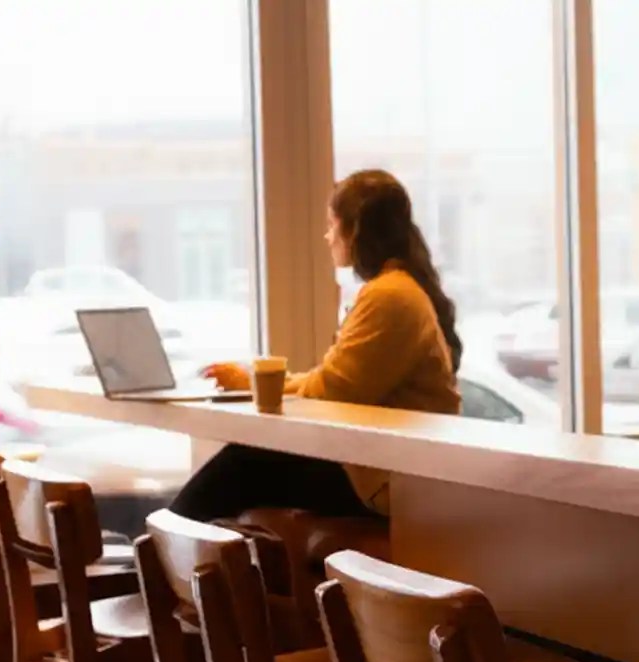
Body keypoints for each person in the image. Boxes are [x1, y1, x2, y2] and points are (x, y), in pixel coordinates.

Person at [168, 169, 463, 521]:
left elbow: (331, 392)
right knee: (247, 462)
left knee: (244, 463)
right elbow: (334, 382)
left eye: (331, 224)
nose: (327, 236)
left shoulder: (389, 295)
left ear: (353, 230)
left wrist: (254, 385)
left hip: (390, 481)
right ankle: (170, 554)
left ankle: (160, 553)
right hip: (396, 471)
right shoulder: (398, 289)